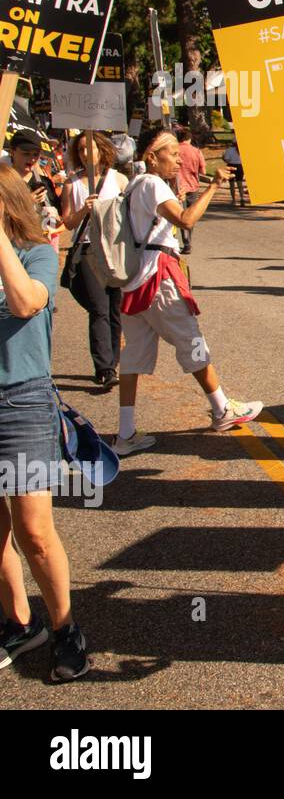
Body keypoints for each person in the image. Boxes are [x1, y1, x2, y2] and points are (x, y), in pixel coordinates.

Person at [114, 129, 262, 455]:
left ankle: (125, 433)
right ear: (151, 157)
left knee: (133, 359)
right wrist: (214, 186)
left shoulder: (137, 184)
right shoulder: (152, 184)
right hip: (158, 282)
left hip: (135, 285)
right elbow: (186, 220)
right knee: (193, 343)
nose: (179, 158)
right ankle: (222, 409)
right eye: (172, 152)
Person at [0, 163, 88, 681]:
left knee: (33, 530)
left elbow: (27, 302)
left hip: (23, 403)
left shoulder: (38, 253)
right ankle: (20, 621)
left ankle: (65, 629)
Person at [60, 131, 128, 389]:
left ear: (102, 150)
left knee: (114, 308)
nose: (86, 154)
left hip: (114, 249)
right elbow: (67, 222)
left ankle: (113, 360)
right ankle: (104, 367)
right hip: (88, 250)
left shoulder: (119, 179)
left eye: (90, 149)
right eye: (80, 151)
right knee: (98, 308)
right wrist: (83, 210)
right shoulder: (72, 183)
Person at [7, 130, 62, 247]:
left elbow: (55, 223)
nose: (32, 159)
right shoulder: (4, 181)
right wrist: (27, 202)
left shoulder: (44, 182)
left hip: (41, 248)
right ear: (12, 151)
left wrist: (53, 217)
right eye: (26, 154)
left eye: (36, 154)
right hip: (12, 249)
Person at [173, 126, 206, 255]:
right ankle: (188, 241)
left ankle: (180, 240)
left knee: (178, 215)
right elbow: (203, 170)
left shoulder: (174, 151)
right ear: (189, 138)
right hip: (192, 185)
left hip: (177, 186)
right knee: (190, 216)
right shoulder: (196, 151)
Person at [221, 140, 246, 206]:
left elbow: (227, 159)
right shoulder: (242, 149)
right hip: (240, 167)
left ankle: (234, 200)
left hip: (231, 167)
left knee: (232, 185)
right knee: (240, 184)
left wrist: (223, 158)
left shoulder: (229, 150)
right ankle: (242, 199)